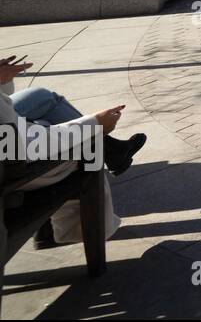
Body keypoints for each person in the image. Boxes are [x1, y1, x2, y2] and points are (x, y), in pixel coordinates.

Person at [1, 55, 141, 245]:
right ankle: (109, 149)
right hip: (15, 170)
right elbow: (28, 144)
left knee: (42, 101)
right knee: (82, 145)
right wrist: (95, 123)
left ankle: (111, 149)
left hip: (12, 151)